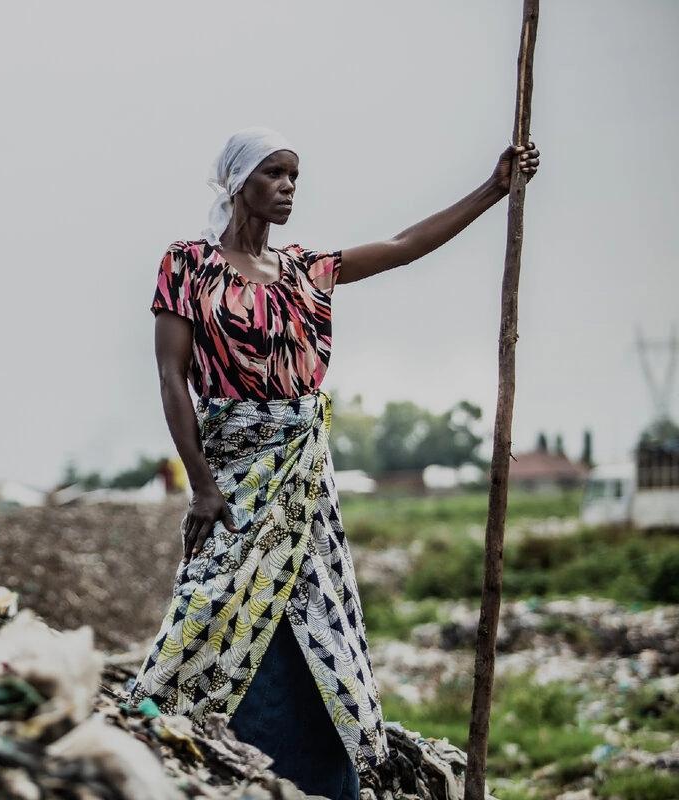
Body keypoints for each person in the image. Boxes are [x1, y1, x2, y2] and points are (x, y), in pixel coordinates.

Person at [126, 126, 539, 800]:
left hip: (304, 474)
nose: (288, 188)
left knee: (316, 606)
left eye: (294, 176)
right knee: (214, 602)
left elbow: (405, 248)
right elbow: (172, 379)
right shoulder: (187, 265)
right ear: (238, 182)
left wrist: (494, 189)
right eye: (275, 174)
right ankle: (190, 748)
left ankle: (318, 774)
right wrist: (200, 485)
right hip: (232, 469)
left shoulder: (303, 270)